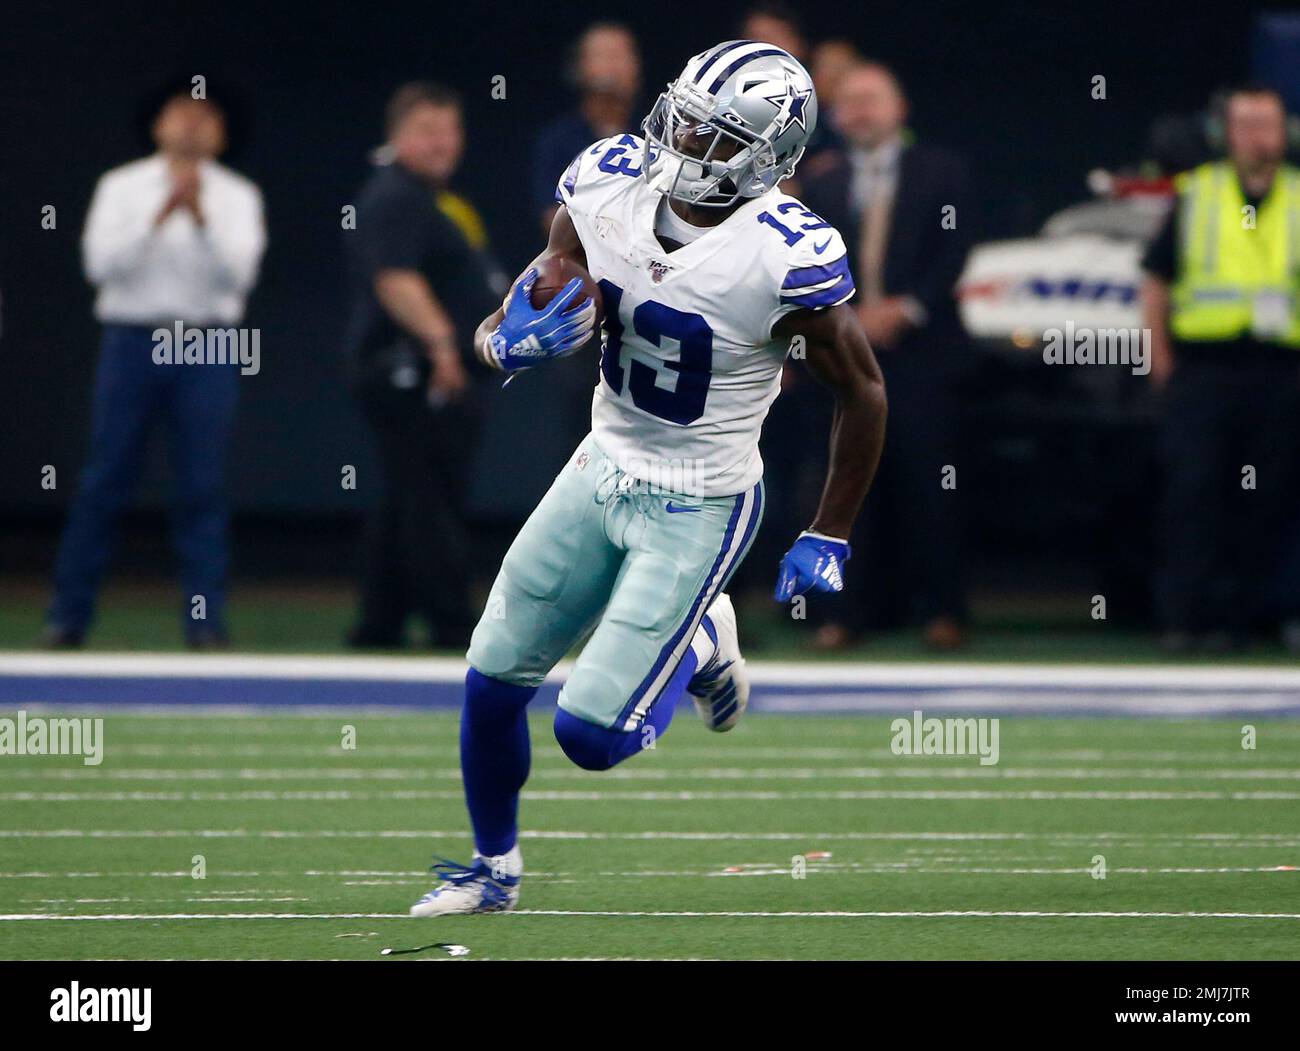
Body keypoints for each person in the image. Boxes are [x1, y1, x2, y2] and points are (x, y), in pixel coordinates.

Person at [409, 41, 886, 916]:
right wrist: (496, 343)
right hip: (601, 462)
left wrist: (828, 529)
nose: (679, 142)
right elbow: (536, 291)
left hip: (701, 496)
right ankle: (491, 871)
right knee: (490, 677)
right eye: (682, 117)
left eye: (712, 136)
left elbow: (863, 389)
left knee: (590, 736)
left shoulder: (784, 252)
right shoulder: (606, 180)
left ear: (766, 155)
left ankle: (706, 639)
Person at [44, 91, 266, 649]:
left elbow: (237, 276)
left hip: (207, 343)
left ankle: (205, 624)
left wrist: (199, 215)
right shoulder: (121, 187)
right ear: (159, 125)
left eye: (208, 116)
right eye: (182, 114)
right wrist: (160, 213)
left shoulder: (237, 195)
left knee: (202, 485)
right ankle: (68, 619)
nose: (194, 125)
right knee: (104, 480)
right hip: (133, 340)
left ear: (221, 132)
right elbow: (99, 265)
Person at [796, 62, 973, 650]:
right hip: (843, 361)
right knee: (845, 485)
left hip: (923, 356)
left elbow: (957, 252)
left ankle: (943, 612)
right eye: (851, 101)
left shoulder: (944, 173)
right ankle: (843, 616)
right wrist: (846, 320)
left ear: (900, 109)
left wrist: (907, 308)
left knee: (931, 483)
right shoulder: (820, 182)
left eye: (874, 99)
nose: (862, 111)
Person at [343, 83, 504, 650]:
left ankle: (378, 623)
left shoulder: (436, 199)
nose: (443, 143)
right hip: (412, 373)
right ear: (398, 135)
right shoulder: (396, 196)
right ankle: (449, 619)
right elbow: (395, 279)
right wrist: (441, 346)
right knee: (431, 500)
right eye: (428, 131)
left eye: (451, 130)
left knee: (408, 497)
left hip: (428, 371)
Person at [1141, 85, 1300, 651]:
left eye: (1269, 124)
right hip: (1205, 371)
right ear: (1226, 135)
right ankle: (1186, 619)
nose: (1259, 136)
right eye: (1247, 124)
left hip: (1282, 372)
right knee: (1193, 493)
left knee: (1272, 498)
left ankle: (1253, 617)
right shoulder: (1198, 194)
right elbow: (1156, 281)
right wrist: (1160, 358)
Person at [531, 22, 640, 231]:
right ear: (579, 68)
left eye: (620, 56)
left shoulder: (655, 135)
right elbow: (552, 220)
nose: (613, 66)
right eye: (603, 56)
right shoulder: (557, 142)